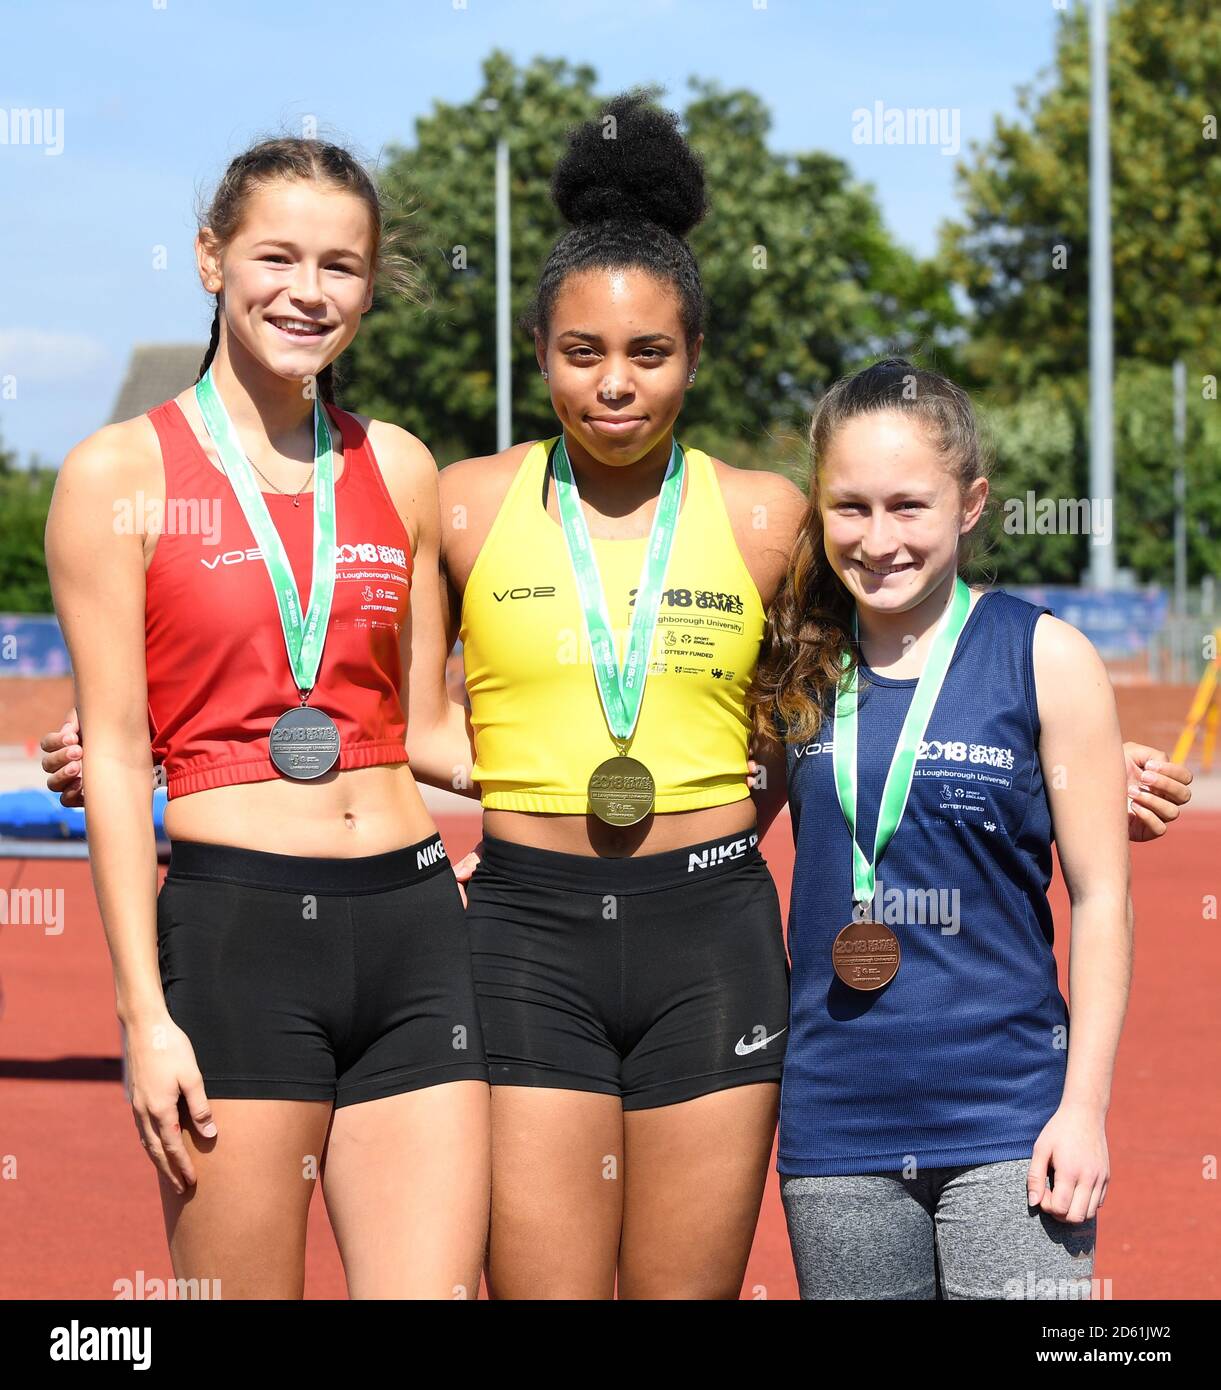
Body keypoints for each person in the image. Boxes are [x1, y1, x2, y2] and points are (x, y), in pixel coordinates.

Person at [43, 105, 1192, 1302]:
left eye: (650, 352)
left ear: (695, 355)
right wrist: (138, 741)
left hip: (714, 939)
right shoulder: (458, 499)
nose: (614, 382)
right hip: (519, 935)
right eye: (581, 351)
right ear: (538, 351)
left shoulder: (766, 519)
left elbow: (891, 653)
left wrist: (1067, 757)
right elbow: (366, 689)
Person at [43, 136, 490, 1300]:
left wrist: (592, 788)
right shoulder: (116, 475)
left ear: (370, 285)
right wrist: (144, 1018)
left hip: (415, 931)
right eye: (277, 257)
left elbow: (429, 731)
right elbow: (116, 754)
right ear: (211, 260)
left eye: (341, 265)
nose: (308, 291)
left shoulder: (400, 467)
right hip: (237, 939)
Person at [748, 358, 1136, 1299]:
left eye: (908, 506)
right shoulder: (797, 666)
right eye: (850, 507)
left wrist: (1082, 1110)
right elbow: (711, 823)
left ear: (970, 504)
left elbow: (1101, 899)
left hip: (1010, 1121)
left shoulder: (1043, 656)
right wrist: (530, 855)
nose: (878, 539)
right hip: (836, 1126)